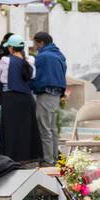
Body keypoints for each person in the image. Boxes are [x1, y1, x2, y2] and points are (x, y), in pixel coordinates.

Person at [0, 35, 41, 163]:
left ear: (11, 48)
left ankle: (10, 157)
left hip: (10, 97)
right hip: (27, 98)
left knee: (11, 128)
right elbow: (33, 77)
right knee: (26, 128)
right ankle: (27, 157)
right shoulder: (29, 61)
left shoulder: (5, 60)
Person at [29, 31, 66, 162]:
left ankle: (48, 160)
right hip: (56, 95)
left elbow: (38, 78)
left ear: (41, 42)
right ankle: (55, 158)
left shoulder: (43, 56)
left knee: (45, 129)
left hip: (45, 94)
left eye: (35, 43)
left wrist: (29, 85)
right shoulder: (59, 55)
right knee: (52, 129)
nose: (34, 46)